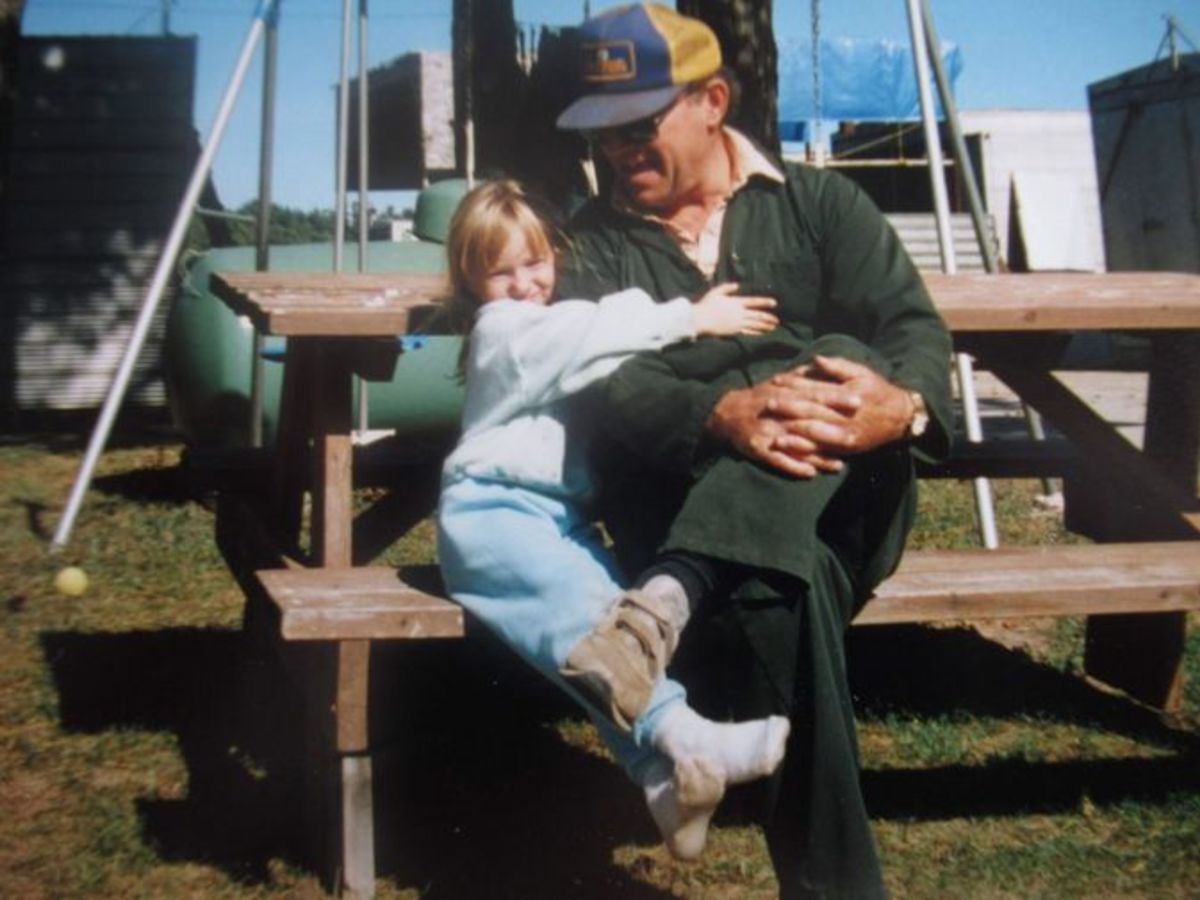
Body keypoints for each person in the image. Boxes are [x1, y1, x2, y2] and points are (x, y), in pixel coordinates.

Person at [552, 4, 955, 897]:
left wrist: (903, 403)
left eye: (638, 124)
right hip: (687, 496)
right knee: (782, 588)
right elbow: (597, 384)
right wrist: (719, 414)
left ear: (713, 101)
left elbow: (912, 327)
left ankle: (669, 599)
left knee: (837, 364)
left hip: (854, 498)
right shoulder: (587, 246)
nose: (618, 149)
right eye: (602, 131)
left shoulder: (818, 203)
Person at [434, 178, 793, 860]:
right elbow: (585, 329)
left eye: (535, 263)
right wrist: (689, 315)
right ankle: (688, 734)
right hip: (491, 515)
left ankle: (663, 783)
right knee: (604, 635)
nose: (523, 283)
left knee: (614, 636)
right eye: (499, 271)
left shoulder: (534, 322)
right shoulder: (504, 330)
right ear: (471, 280)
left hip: (550, 520)